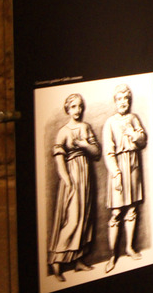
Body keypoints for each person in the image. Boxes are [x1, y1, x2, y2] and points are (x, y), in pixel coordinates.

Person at [47, 93, 99, 281]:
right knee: (73, 219)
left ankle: (78, 260)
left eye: (79, 106)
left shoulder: (86, 128)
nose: (77, 110)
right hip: (72, 176)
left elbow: (96, 153)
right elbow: (60, 160)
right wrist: (67, 181)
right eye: (73, 107)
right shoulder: (63, 131)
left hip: (85, 175)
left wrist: (84, 145)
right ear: (67, 109)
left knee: (85, 218)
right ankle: (56, 262)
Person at [102, 84, 147, 272]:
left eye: (126, 99)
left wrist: (134, 135)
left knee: (132, 210)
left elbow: (143, 140)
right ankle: (113, 255)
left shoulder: (133, 119)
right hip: (118, 167)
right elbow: (108, 152)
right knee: (116, 214)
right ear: (115, 101)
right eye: (120, 99)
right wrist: (116, 173)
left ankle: (129, 247)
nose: (123, 102)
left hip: (133, 166)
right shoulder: (109, 123)